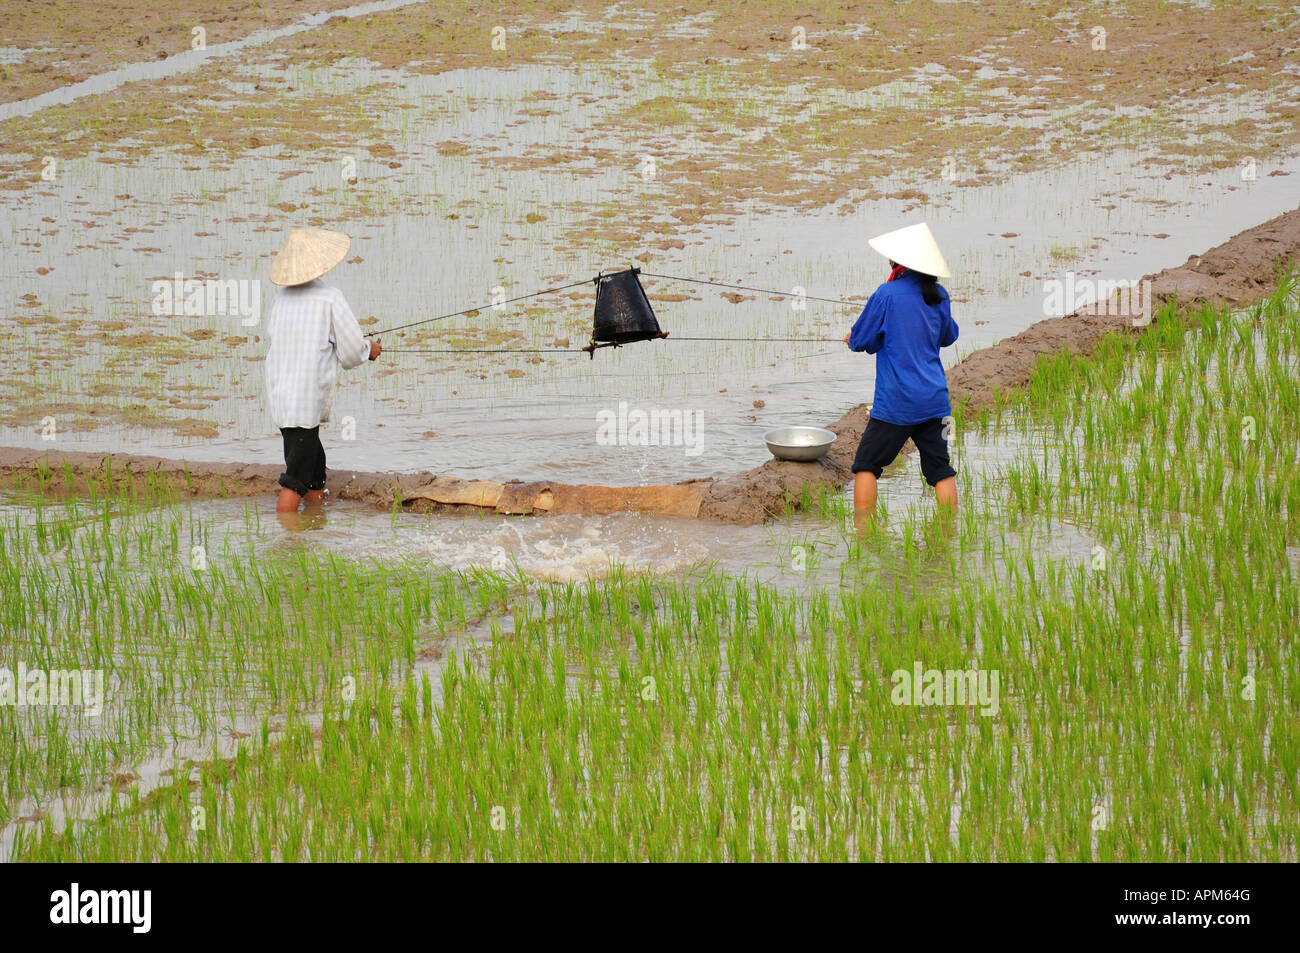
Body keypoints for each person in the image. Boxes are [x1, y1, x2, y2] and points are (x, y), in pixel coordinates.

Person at [844, 222, 959, 526]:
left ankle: (864, 537)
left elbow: (861, 340)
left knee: (866, 465)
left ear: (899, 263)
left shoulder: (887, 294)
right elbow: (948, 336)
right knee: (941, 470)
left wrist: (853, 338)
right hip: (935, 402)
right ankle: (950, 532)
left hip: (896, 403)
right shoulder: (940, 296)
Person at [264, 227, 381, 514]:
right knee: (296, 479)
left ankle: (315, 525)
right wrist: (370, 349)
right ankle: (287, 539)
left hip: (282, 397)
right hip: (304, 401)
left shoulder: (281, 298)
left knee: (315, 471)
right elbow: (351, 352)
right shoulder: (330, 298)